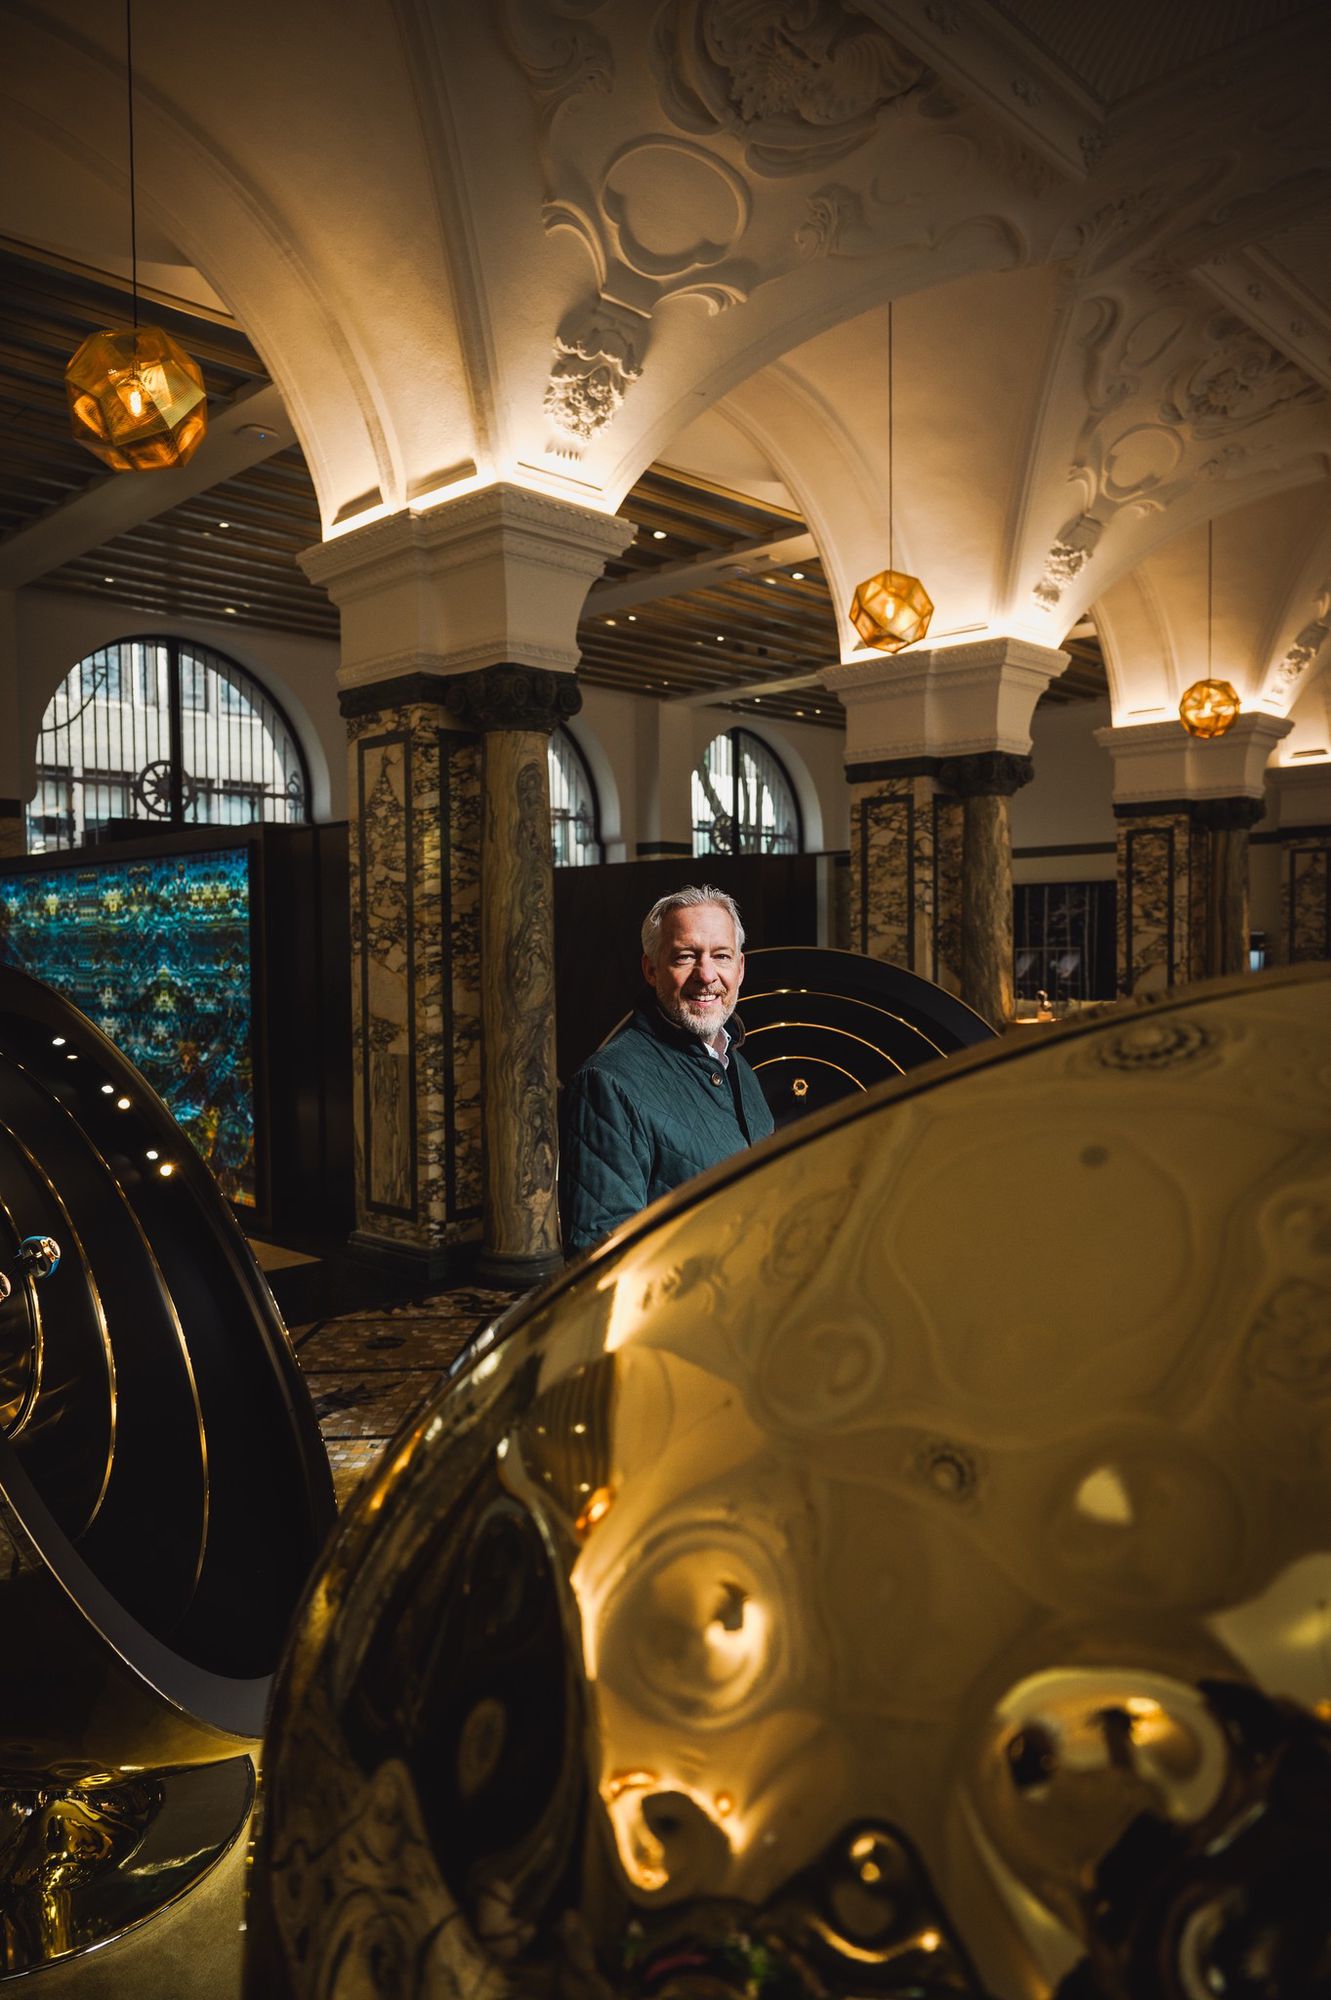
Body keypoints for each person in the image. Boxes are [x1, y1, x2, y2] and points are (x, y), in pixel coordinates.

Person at [558, 885, 775, 1254]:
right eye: (685, 956)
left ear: (740, 969)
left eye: (721, 956)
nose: (706, 975)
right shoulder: (607, 1083)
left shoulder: (735, 1062)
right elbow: (602, 1259)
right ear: (651, 969)